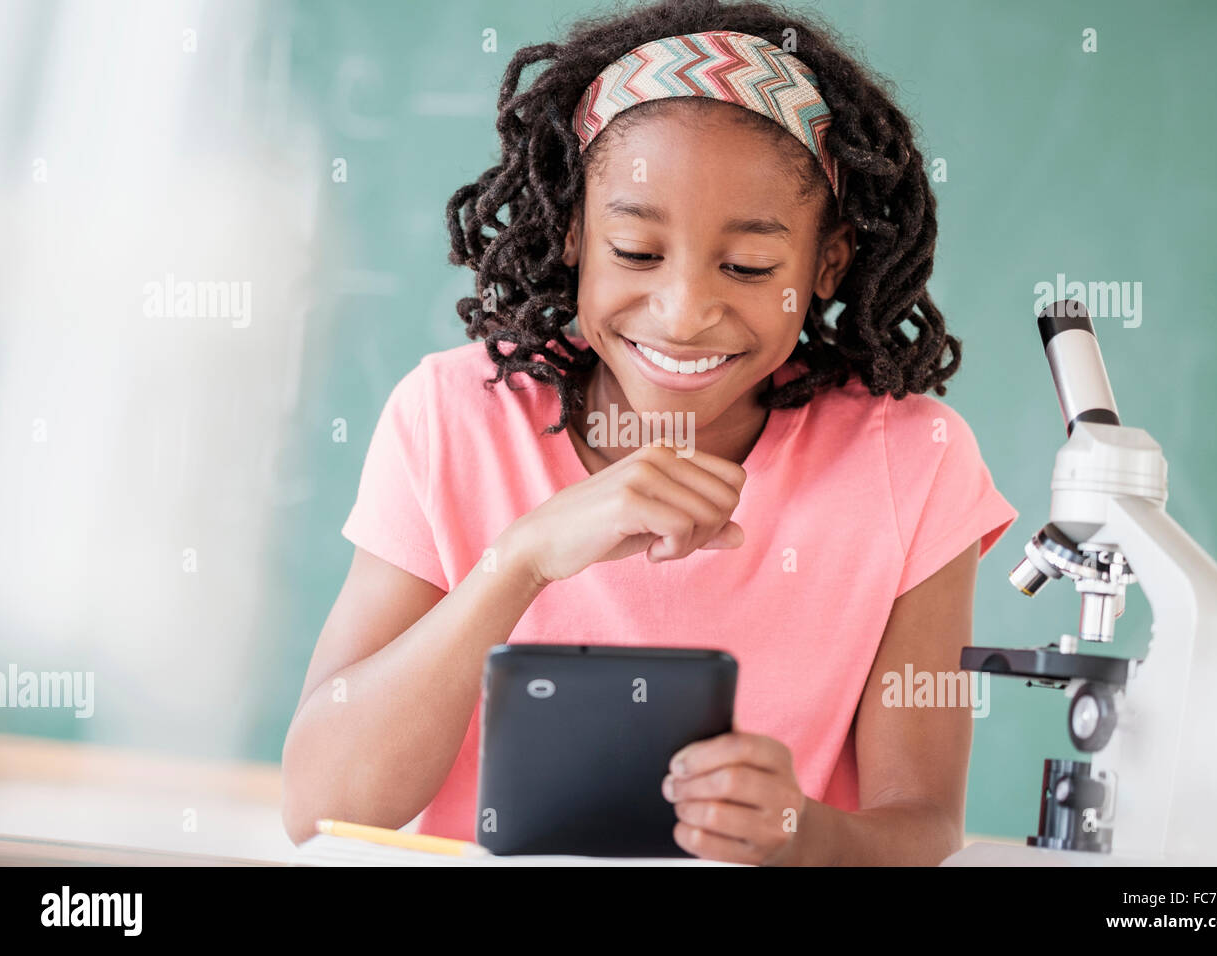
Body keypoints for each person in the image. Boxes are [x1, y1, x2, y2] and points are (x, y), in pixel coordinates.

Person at [282, 0, 1018, 865]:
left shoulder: (910, 462)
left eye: (748, 268)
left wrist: (801, 832)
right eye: (635, 250)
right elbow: (320, 805)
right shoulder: (451, 417)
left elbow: (923, 823)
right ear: (573, 231)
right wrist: (518, 560)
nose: (685, 313)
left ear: (829, 262)